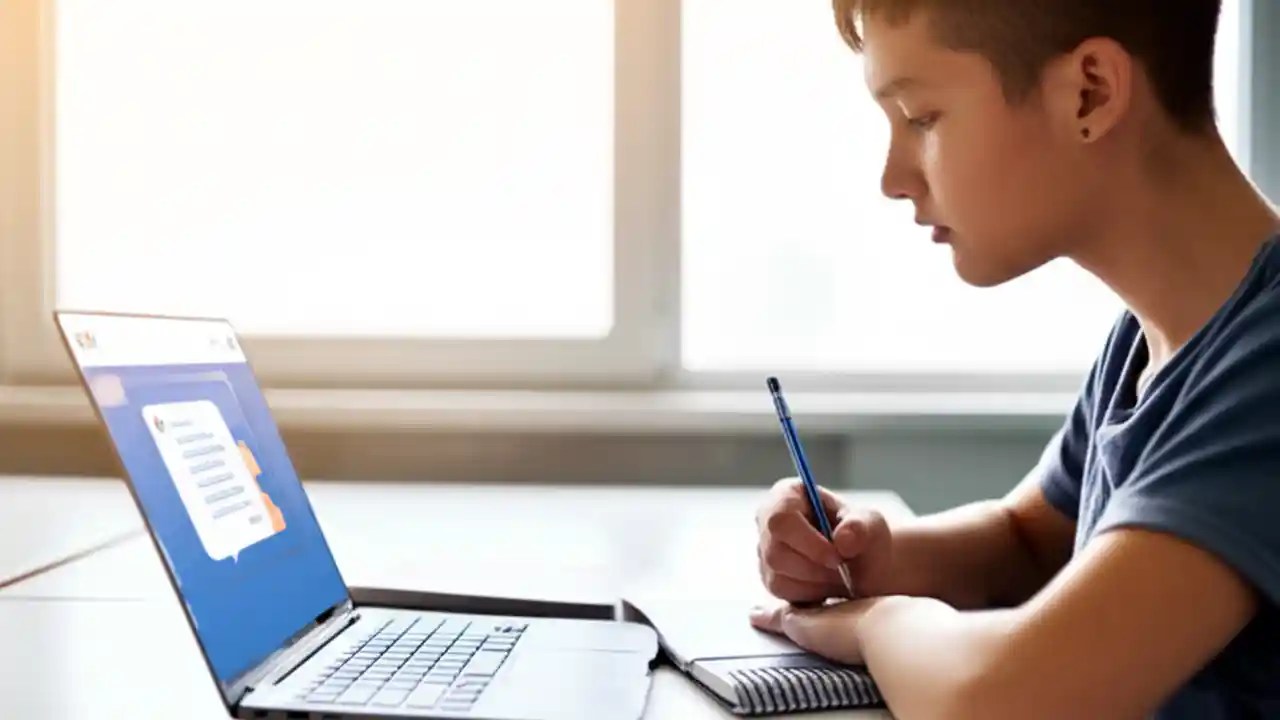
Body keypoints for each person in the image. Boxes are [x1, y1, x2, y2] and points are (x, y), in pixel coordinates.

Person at [749, 2, 1280, 718]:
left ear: (1089, 92)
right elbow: (1031, 542)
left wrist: (877, 622)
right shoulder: (1158, 336)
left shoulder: (1266, 367)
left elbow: (1003, 700)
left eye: (922, 117)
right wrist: (876, 556)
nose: (892, 177)